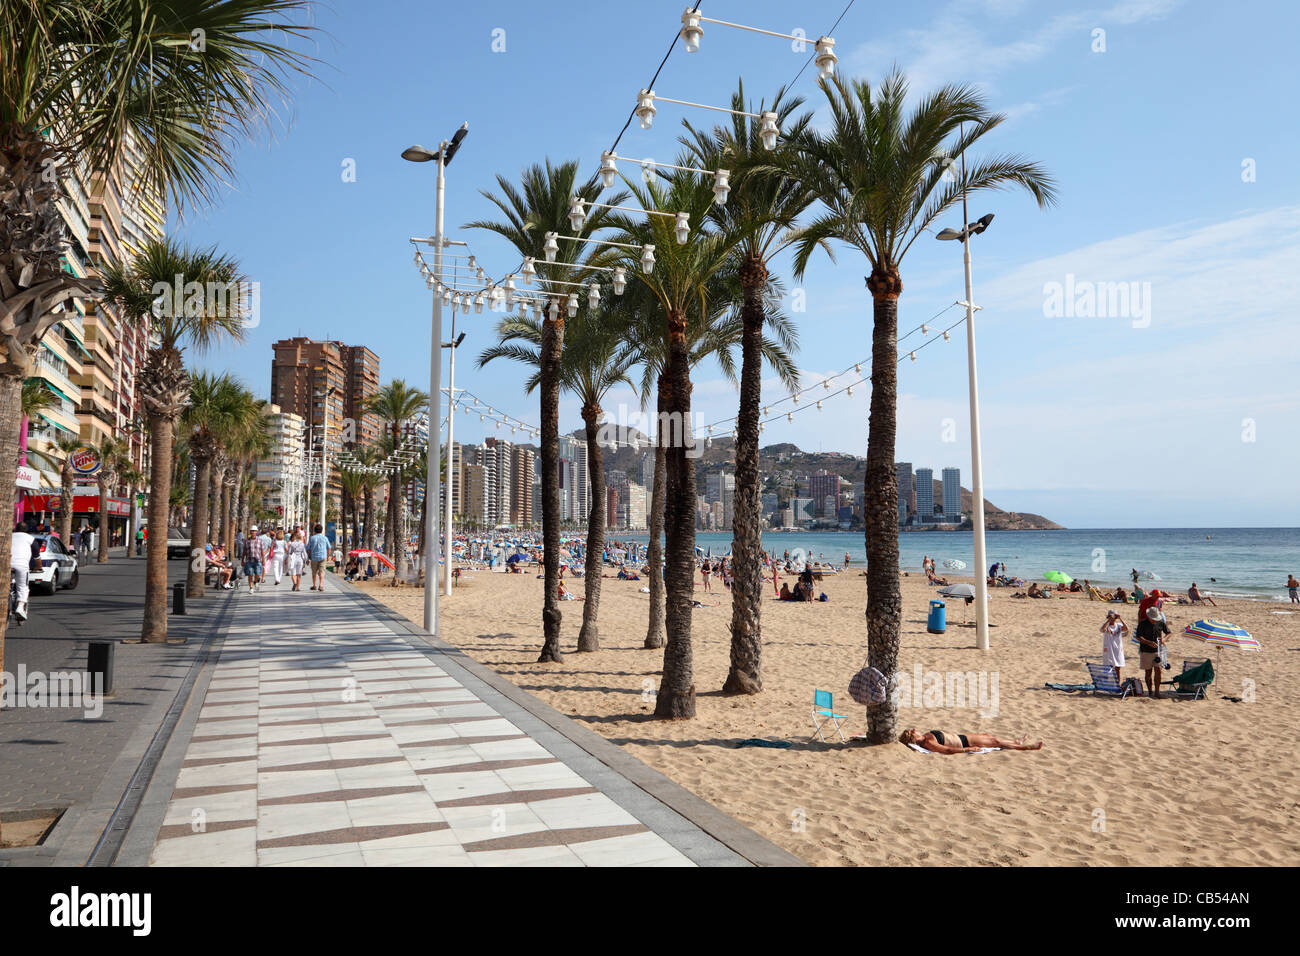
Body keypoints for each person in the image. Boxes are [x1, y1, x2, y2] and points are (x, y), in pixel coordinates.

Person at [899, 728, 1043, 753]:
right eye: (912, 731)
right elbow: (948, 750)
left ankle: (1015, 742)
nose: (915, 729)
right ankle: (1024, 747)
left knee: (989, 737)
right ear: (914, 738)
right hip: (965, 743)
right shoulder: (928, 743)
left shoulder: (926, 736)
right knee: (994, 742)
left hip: (963, 737)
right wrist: (968, 749)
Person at [1135, 606, 1170, 698]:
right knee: (1148, 672)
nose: (1154, 620)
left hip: (1158, 651)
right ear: (1149, 617)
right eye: (1153, 619)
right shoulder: (1142, 623)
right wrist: (1149, 642)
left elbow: (1169, 633)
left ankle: (1157, 692)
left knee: (1158, 671)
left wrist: (1164, 639)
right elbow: (1138, 637)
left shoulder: (1161, 623)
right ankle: (1150, 691)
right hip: (1146, 651)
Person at [10, 522, 34, 623]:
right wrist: (37, 566)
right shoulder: (30, 538)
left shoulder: (9, 536)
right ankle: (20, 607)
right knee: (23, 586)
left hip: (7, 563)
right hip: (22, 566)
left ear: (15, 529)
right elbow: (36, 555)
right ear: (26, 530)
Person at [1100, 609, 1129, 686]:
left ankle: (1117, 684)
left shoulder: (1119, 625)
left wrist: (1120, 619)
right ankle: (1107, 684)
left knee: (1118, 668)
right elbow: (1102, 630)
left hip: (1118, 649)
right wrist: (1108, 620)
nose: (1114, 618)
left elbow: (1126, 629)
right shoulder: (1106, 625)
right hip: (1109, 649)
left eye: (1114, 617)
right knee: (1108, 667)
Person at [242, 525, 267, 594]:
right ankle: (251, 588)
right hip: (249, 561)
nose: (253, 532)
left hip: (258, 560)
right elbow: (244, 551)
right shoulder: (247, 541)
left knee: (258, 574)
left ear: (256, 532)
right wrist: (242, 560)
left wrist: (263, 560)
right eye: (252, 531)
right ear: (250, 532)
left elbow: (262, 551)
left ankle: (256, 581)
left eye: (254, 531)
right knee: (250, 574)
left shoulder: (260, 541)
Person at [307, 524, 330, 592]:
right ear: (322, 530)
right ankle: (321, 585)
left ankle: (314, 585)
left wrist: (308, 557)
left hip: (314, 557)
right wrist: (328, 556)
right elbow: (329, 548)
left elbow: (308, 548)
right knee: (322, 572)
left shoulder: (312, 538)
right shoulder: (325, 538)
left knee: (314, 572)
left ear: (314, 530)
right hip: (323, 557)